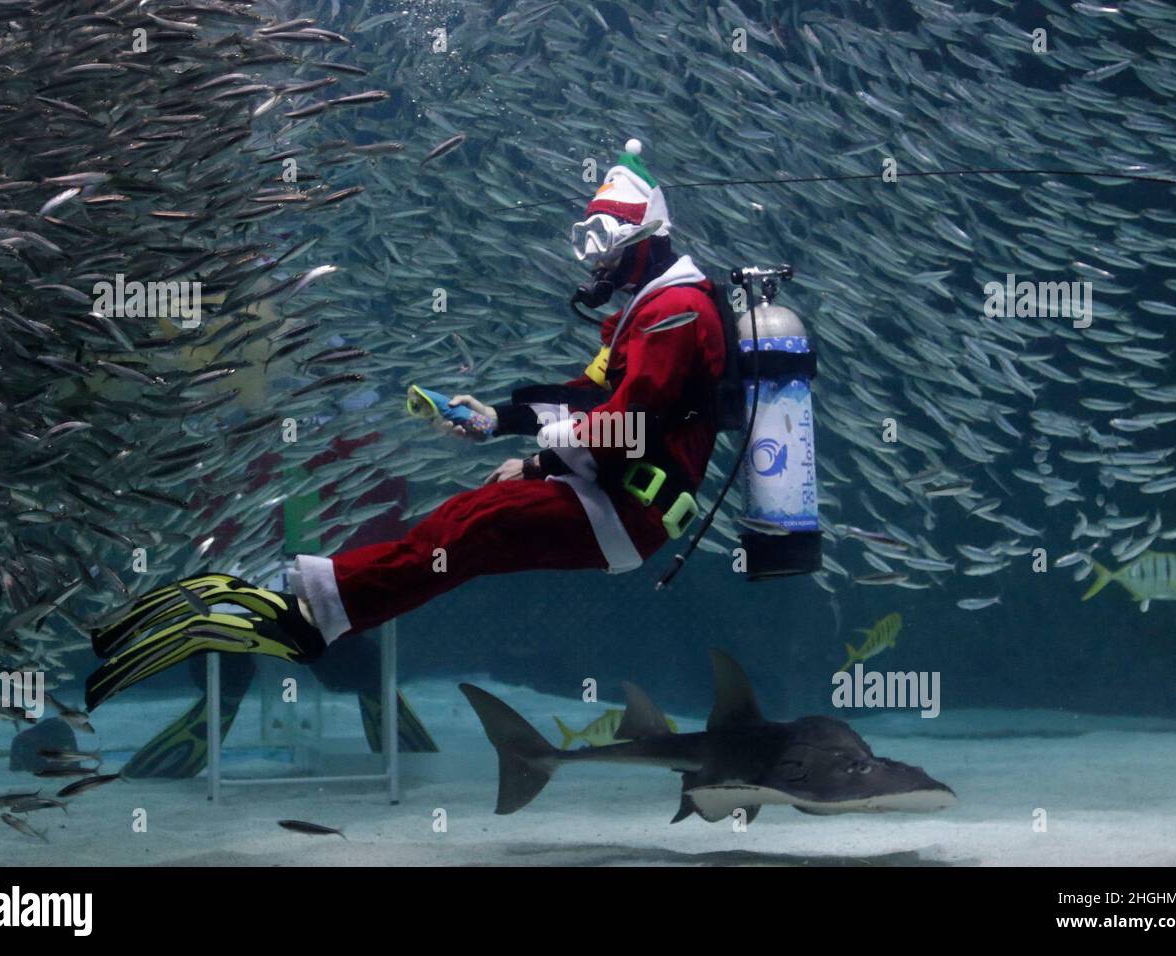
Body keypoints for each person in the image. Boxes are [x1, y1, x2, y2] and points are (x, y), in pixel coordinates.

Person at [86, 139, 727, 711]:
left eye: (603, 245)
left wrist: (540, 460)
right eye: (585, 242)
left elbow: (628, 426)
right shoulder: (651, 311)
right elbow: (582, 399)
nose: (594, 265)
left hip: (629, 511)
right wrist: (495, 419)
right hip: (609, 495)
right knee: (462, 521)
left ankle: (317, 617)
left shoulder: (673, 314)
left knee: (477, 528)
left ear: (644, 240)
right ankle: (318, 611)